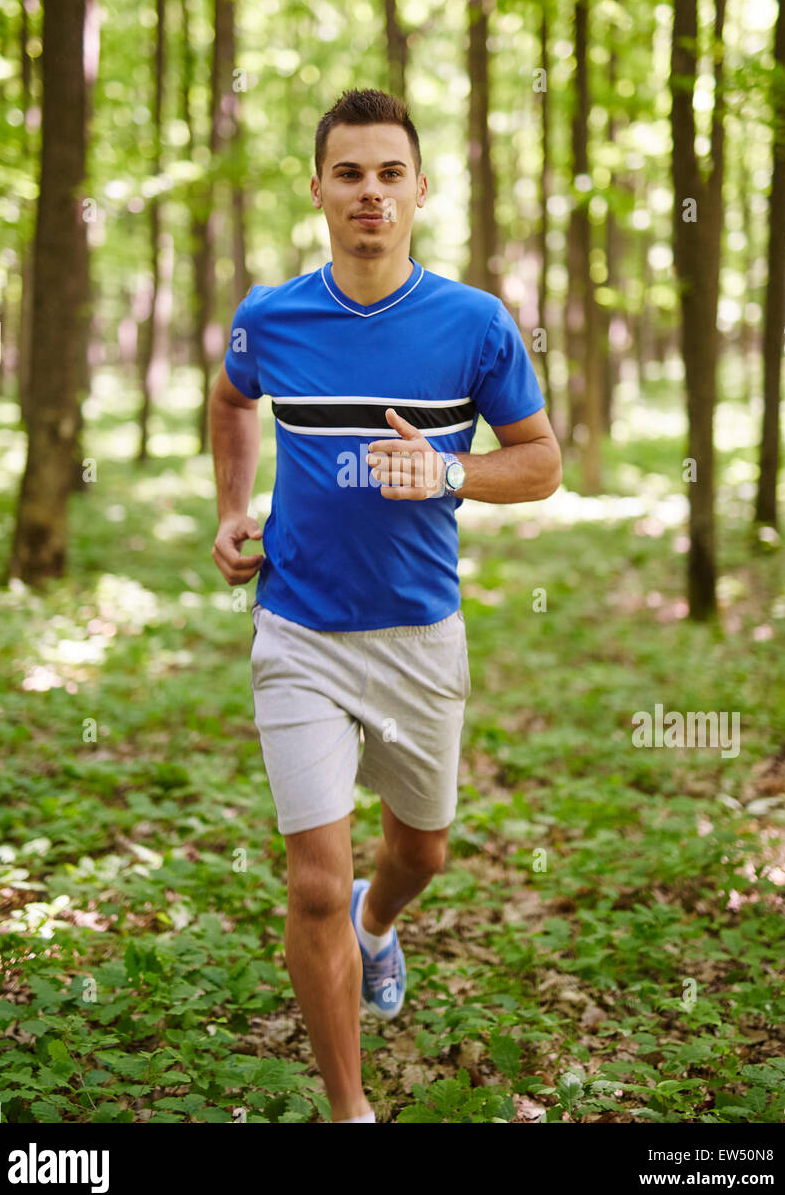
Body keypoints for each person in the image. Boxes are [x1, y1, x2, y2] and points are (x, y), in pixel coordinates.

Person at [210, 88, 562, 1123]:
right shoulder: (269, 317)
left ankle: (378, 921)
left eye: (389, 173)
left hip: (419, 634)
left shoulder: (472, 323)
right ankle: (349, 1112)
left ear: (418, 189)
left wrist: (446, 471)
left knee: (420, 852)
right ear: (317, 188)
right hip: (298, 630)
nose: (370, 191)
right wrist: (235, 508)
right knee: (311, 883)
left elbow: (540, 464)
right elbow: (231, 399)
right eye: (350, 173)